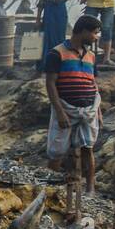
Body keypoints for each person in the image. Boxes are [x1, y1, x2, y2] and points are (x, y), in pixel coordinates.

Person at [46, 16, 103, 194]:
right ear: (83, 31)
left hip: (88, 109)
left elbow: (93, 83)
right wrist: (60, 112)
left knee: (88, 148)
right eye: (94, 33)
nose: (96, 37)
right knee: (57, 151)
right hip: (66, 108)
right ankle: (48, 188)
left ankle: (90, 190)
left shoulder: (91, 56)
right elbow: (50, 84)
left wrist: (98, 111)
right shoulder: (57, 53)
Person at [35, 0, 80, 72]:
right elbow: (42, 0)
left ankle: (59, 63)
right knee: (47, 37)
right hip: (49, 10)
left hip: (60, 9)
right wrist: (38, 18)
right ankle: (45, 64)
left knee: (59, 37)